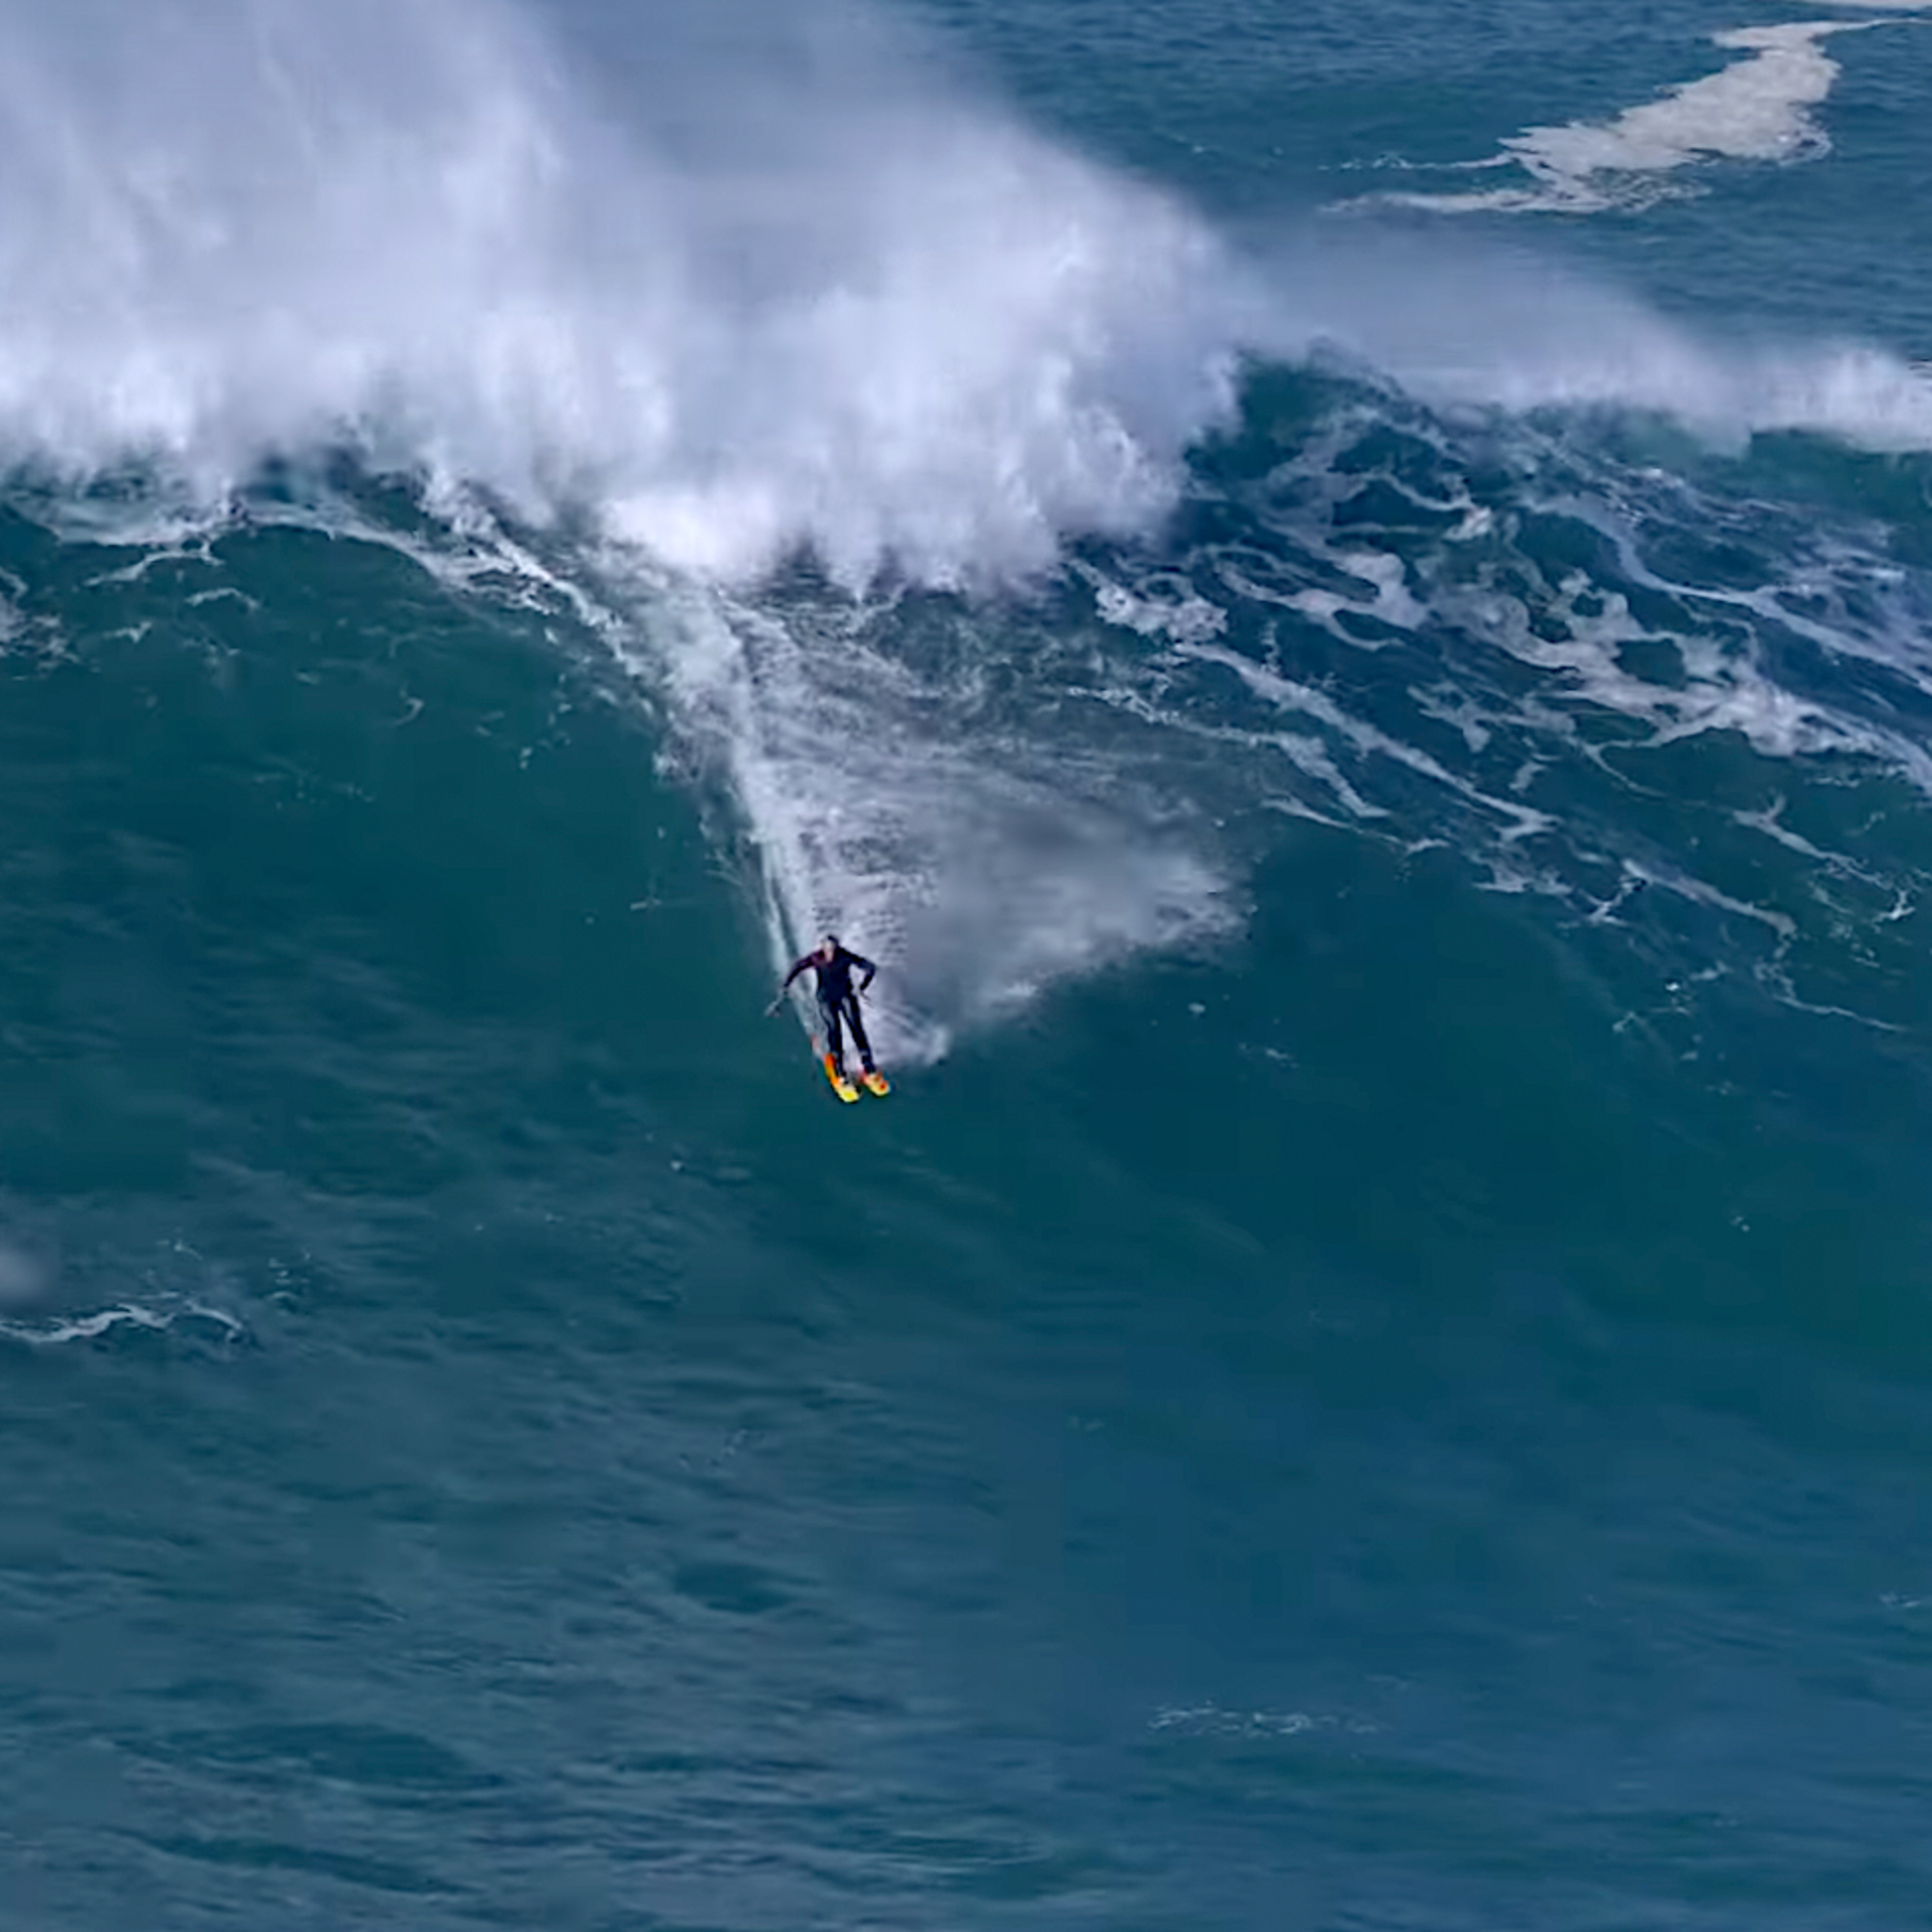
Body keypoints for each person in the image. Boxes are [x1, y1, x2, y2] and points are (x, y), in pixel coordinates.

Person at [768, 935, 878, 1080]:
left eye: (833, 950)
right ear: (823, 949)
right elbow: (797, 968)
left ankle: (869, 1066)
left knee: (856, 1027)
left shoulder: (845, 956)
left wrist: (862, 987)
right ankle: (840, 1070)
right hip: (826, 999)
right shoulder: (816, 958)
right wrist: (786, 986)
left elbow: (871, 968)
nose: (831, 953)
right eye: (828, 950)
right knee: (834, 1030)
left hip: (846, 997)